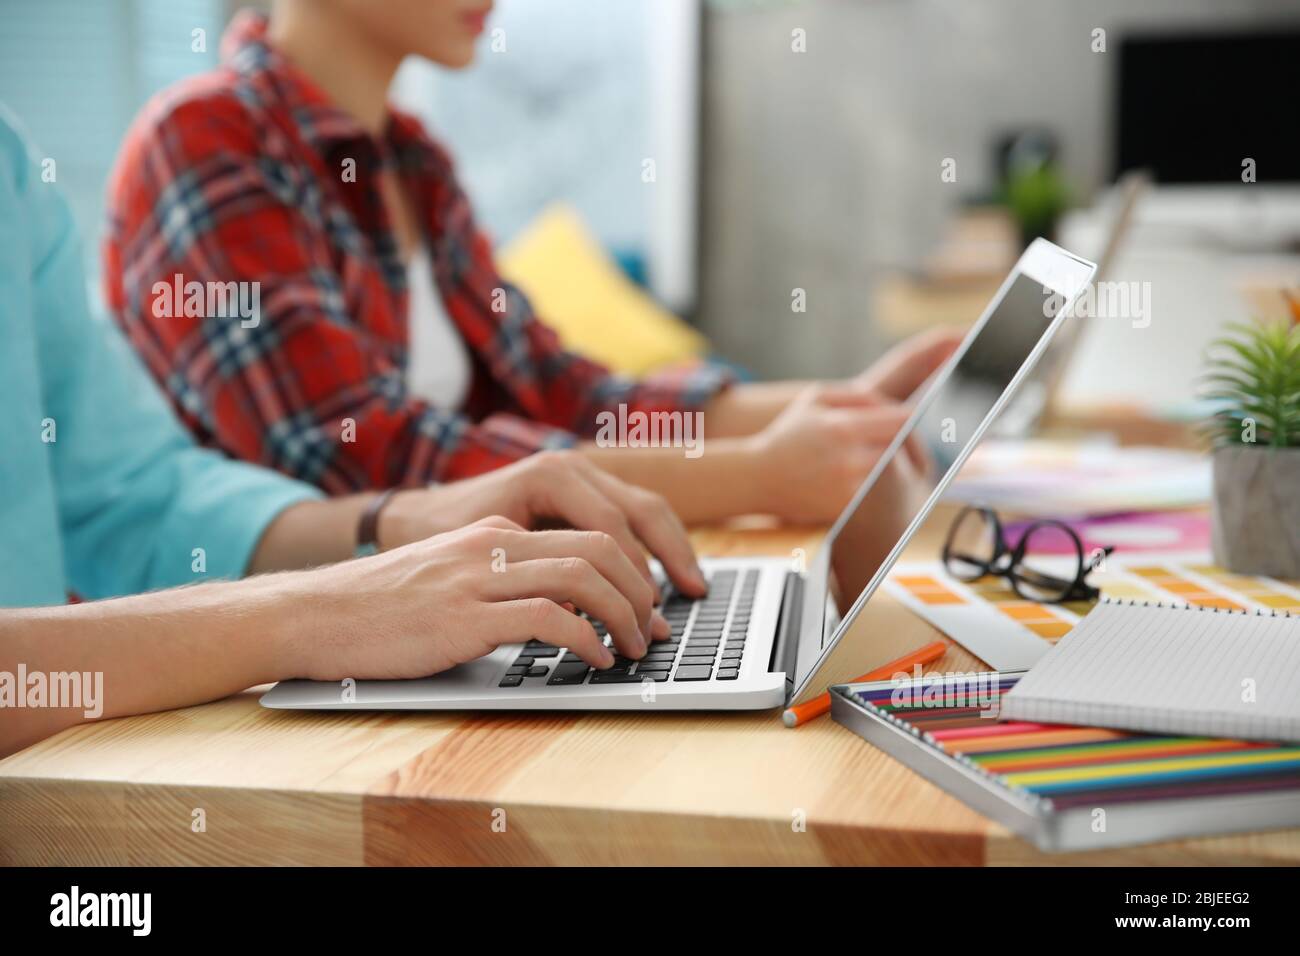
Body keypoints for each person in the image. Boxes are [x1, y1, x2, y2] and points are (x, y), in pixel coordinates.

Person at [0, 109, 707, 758]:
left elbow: (138, 496)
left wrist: (398, 519)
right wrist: (316, 611)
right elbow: (360, 445)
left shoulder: (11, 162)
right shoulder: (204, 140)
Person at [103, 2, 958, 525]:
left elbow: (568, 394)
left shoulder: (413, 162)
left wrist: (827, 409)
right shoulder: (205, 140)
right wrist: (760, 473)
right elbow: (354, 466)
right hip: (258, 696)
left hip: (436, 620)